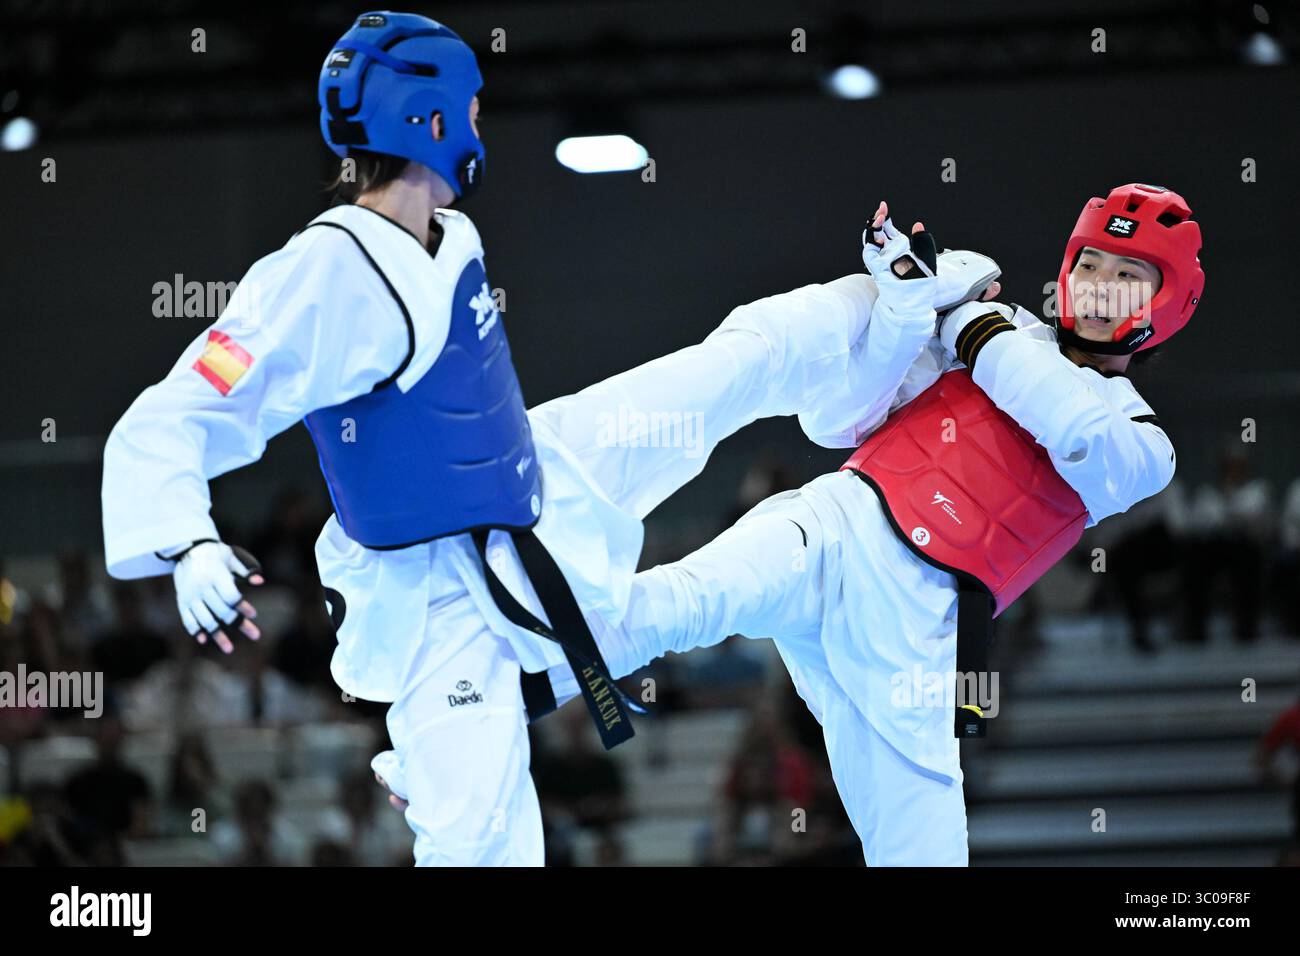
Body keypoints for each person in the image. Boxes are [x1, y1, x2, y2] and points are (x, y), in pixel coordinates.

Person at [100, 10, 1001, 865]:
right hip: (439, 598)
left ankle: (909, 298)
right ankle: (429, 753)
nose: (482, 123)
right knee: (483, 848)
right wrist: (185, 542)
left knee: (739, 361)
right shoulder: (322, 271)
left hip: (539, 470)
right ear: (432, 118)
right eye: (474, 107)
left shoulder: (447, 233)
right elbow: (182, 405)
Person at [588, 183, 1205, 866]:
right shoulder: (987, 319)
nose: (1099, 286)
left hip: (917, 629)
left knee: (923, 855)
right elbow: (836, 421)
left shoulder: (1143, 442)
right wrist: (905, 306)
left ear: (1166, 303)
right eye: (1090, 264)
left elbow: (1076, 431)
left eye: (1127, 275)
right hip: (838, 519)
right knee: (686, 598)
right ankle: (529, 669)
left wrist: (972, 323)